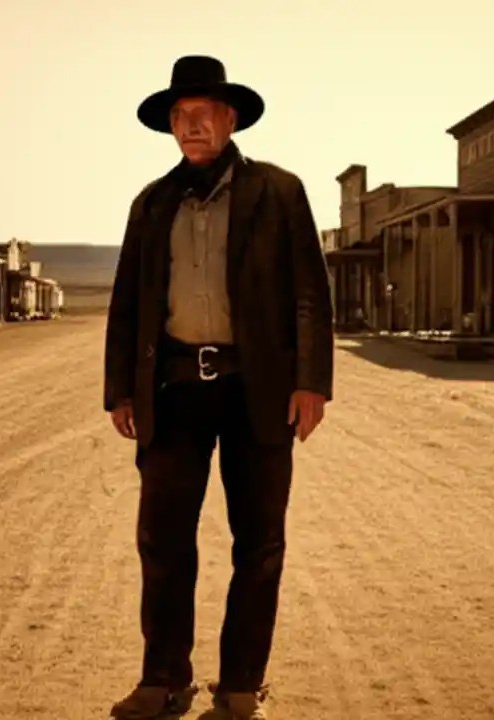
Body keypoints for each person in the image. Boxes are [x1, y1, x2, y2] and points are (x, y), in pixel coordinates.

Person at [103, 55, 334, 720]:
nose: (192, 125)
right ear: (170, 126)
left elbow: (310, 295)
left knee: (259, 541)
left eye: (204, 113)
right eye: (180, 115)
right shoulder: (151, 204)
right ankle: (164, 678)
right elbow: (127, 302)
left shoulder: (279, 193)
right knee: (162, 539)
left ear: (230, 119)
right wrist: (122, 388)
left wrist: (311, 381)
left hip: (254, 390)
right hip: (173, 390)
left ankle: (240, 684)